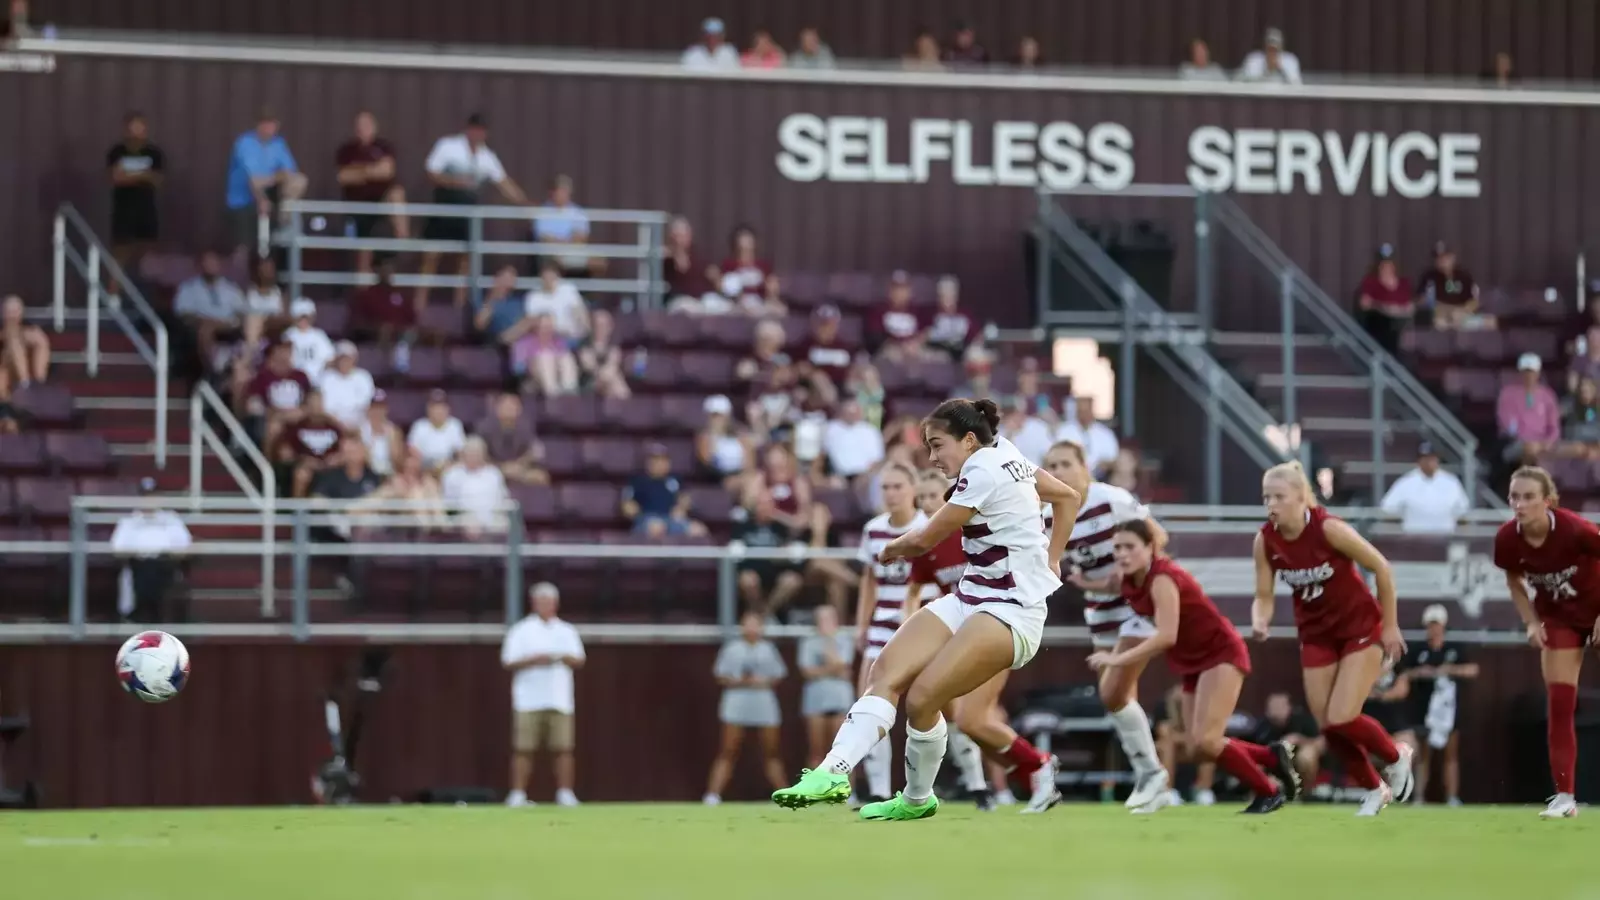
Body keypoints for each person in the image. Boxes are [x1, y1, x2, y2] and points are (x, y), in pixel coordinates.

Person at [772, 398, 1081, 821]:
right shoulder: (1006, 454)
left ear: (969, 440)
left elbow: (921, 541)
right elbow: (1067, 497)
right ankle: (832, 772)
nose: (932, 458)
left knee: (923, 699)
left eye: (938, 446)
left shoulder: (983, 469)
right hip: (971, 598)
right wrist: (1052, 558)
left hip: (1012, 611)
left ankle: (919, 799)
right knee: (884, 672)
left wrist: (889, 549)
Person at [1091, 521, 1298, 814]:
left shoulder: (1162, 578)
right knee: (1197, 747)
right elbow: (1107, 584)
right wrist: (1078, 579)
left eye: (1130, 547)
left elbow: (1166, 636)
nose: (1122, 554)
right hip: (1192, 661)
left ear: (1150, 547)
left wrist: (1116, 659)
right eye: (1117, 548)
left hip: (1219, 652)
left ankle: (1269, 790)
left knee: (1208, 740)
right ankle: (1269, 756)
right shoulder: (1128, 578)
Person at [1254, 461, 1416, 816]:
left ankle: (1395, 754)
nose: (1271, 504)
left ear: (1301, 497)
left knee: (1343, 716)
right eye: (1267, 497)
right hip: (1315, 635)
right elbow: (1263, 595)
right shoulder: (1265, 540)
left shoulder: (1329, 528)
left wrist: (1390, 626)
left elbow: (1381, 567)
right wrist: (1260, 620)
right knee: (1329, 726)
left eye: (1279, 496)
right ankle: (1375, 788)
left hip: (1359, 627)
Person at [905, 467, 1054, 813]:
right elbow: (913, 591)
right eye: (923, 498)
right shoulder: (928, 545)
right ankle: (1025, 772)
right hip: (959, 633)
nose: (929, 504)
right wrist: (913, 623)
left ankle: (1025, 773)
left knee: (972, 717)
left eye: (935, 497)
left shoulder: (972, 531)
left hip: (997, 623)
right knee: (968, 719)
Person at [1043, 440, 1172, 812]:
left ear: (1086, 468)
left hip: (1135, 604)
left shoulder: (1112, 499)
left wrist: (1137, 575)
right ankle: (1152, 777)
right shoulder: (1049, 512)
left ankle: (1153, 776)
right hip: (1100, 610)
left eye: (1066, 463)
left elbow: (1158, 538)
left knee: (1112, 692)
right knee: (1117, 696)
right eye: (1052, 465)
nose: (1059, 471)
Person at [1493, 467, 1600, 819]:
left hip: (1596, 606)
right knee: (1559, 705)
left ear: (1548, 501)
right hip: (1559, 619)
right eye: (1514, 497)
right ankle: (1565, 797)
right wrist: (1530, 622)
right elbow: (1514, 582)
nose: (1519, 505)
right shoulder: (1508, 538)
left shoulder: (1575, 529)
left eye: (1528, 497)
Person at [849, 463, 928, 805]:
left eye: (898, 486)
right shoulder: (874, 530)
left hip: (922, 626)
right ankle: (879, 790)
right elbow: (869, 580)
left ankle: (937, 787)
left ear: (913, 488)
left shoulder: (928, 527)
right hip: (882, 625)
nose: (892, 493)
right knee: (870, 704)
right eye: (886, 487)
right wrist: (861, 624)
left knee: (928, 704)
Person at [501, 582, 585, 808]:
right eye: (541, 601)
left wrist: (560, 657)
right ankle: (518, 794)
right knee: (523, 749)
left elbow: (579, 659)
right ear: (533, 603)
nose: (545, 605)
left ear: (556, 603)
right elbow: (508, 661)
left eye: (549, 601)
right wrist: (533, 660)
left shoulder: (566, 631)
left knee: (564, 749)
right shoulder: (521, 630)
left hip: (560, 700)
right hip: (528, 700)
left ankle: (565, 794)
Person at [705, 611, 788, 806]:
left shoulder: (768, 649)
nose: (751, 629)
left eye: (755, 624)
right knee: (728, 751)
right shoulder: (732, 648)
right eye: (747, 624)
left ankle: (784, 795)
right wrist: (738, 681)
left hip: (763, 703)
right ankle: (712, 795)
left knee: (771, 753)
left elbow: (778, 675)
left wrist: (762, 681)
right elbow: (720, 675)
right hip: (736, 703)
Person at [1403, 604, 1477, 806]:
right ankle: (1418, 797)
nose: (1433, 628)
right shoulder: (1419, 651)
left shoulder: (1455, 649)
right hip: (1424, 710)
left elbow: (1472, 670)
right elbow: (1406, 674)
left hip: (1449, 712)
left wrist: (1449, 670)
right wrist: (1422, 672)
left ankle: (1452, 797)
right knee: (1423, 754)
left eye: (1436, 624)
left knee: (1450, 755)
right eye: (1430, 624)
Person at [799, 605, 855, 767]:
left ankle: (847, 791)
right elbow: (807, 671)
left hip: (840, 698)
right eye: (821, 619)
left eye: (828, 619)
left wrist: (829, 642)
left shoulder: (844, 639)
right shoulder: (808, 641)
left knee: (842, 750)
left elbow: (842, 664)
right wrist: (836, 670)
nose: (824, 623)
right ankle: (814, 790)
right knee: (816, 750)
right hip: (815, 699)